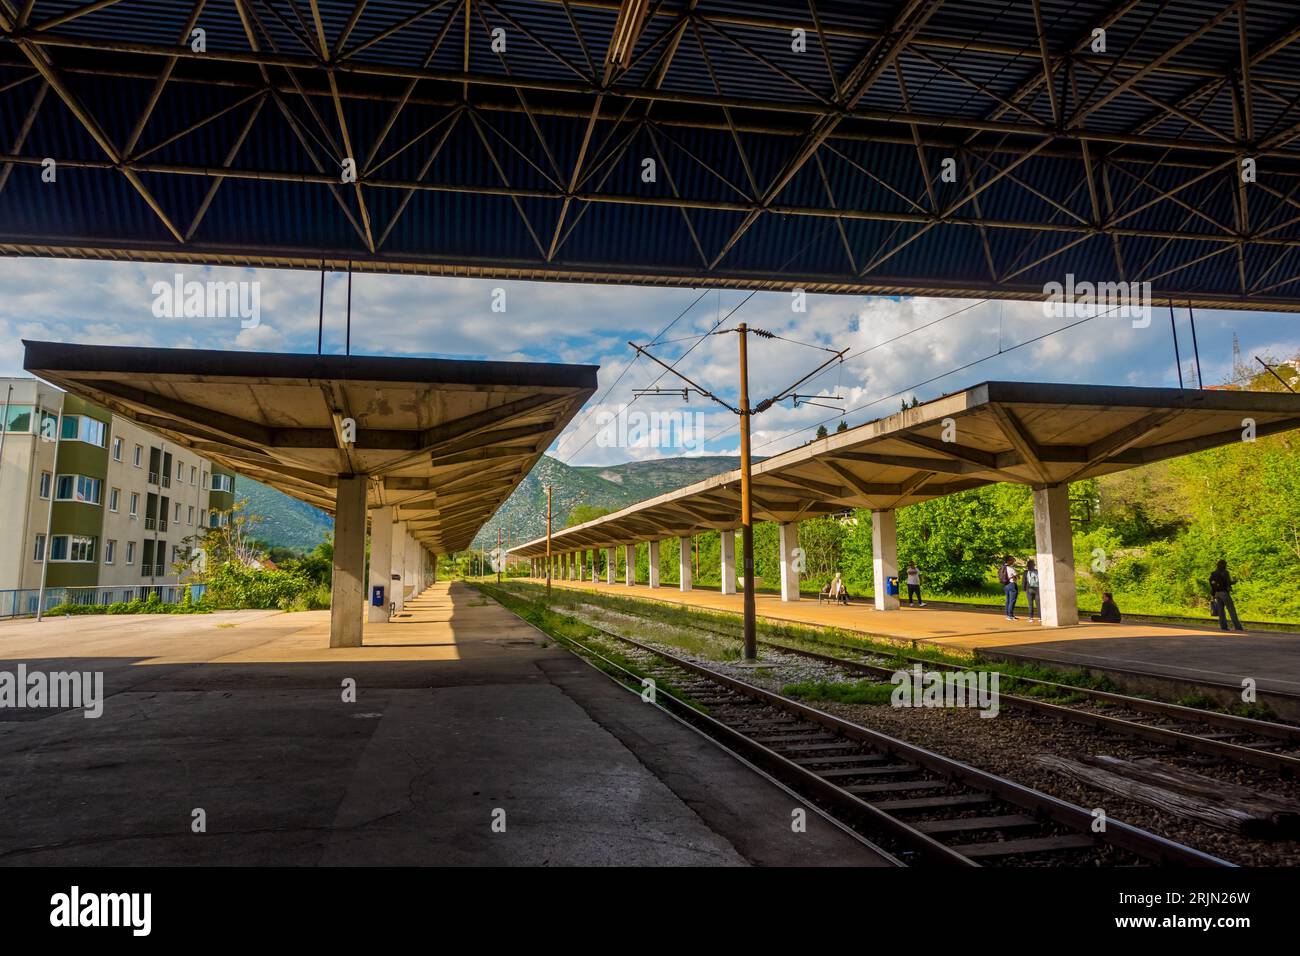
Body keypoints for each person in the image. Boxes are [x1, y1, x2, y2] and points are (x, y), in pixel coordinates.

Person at [1209, 559, 1244, 632]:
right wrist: (1235, 580)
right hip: (1224, 593)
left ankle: (1223, 627)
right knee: (1231, 610)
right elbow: (1229, 583)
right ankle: (1238, 627)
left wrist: (1213, 594)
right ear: (1224, 565)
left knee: (1221, 611)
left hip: (1217, 593)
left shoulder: (1213, 573)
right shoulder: (1225, 572)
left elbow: (1212, 584)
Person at [998, 556, 1019, 621]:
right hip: (1012, 584)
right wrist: (1016, 576)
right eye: (1012, 560)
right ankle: (1010, 616)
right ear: (1009, 561)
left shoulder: (1002, 567)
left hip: (1006, 585)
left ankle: (1008, 614)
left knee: (1008, 600)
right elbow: (1017, 576)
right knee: (1012, 600)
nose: (1013, 562)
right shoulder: (1011, 568)